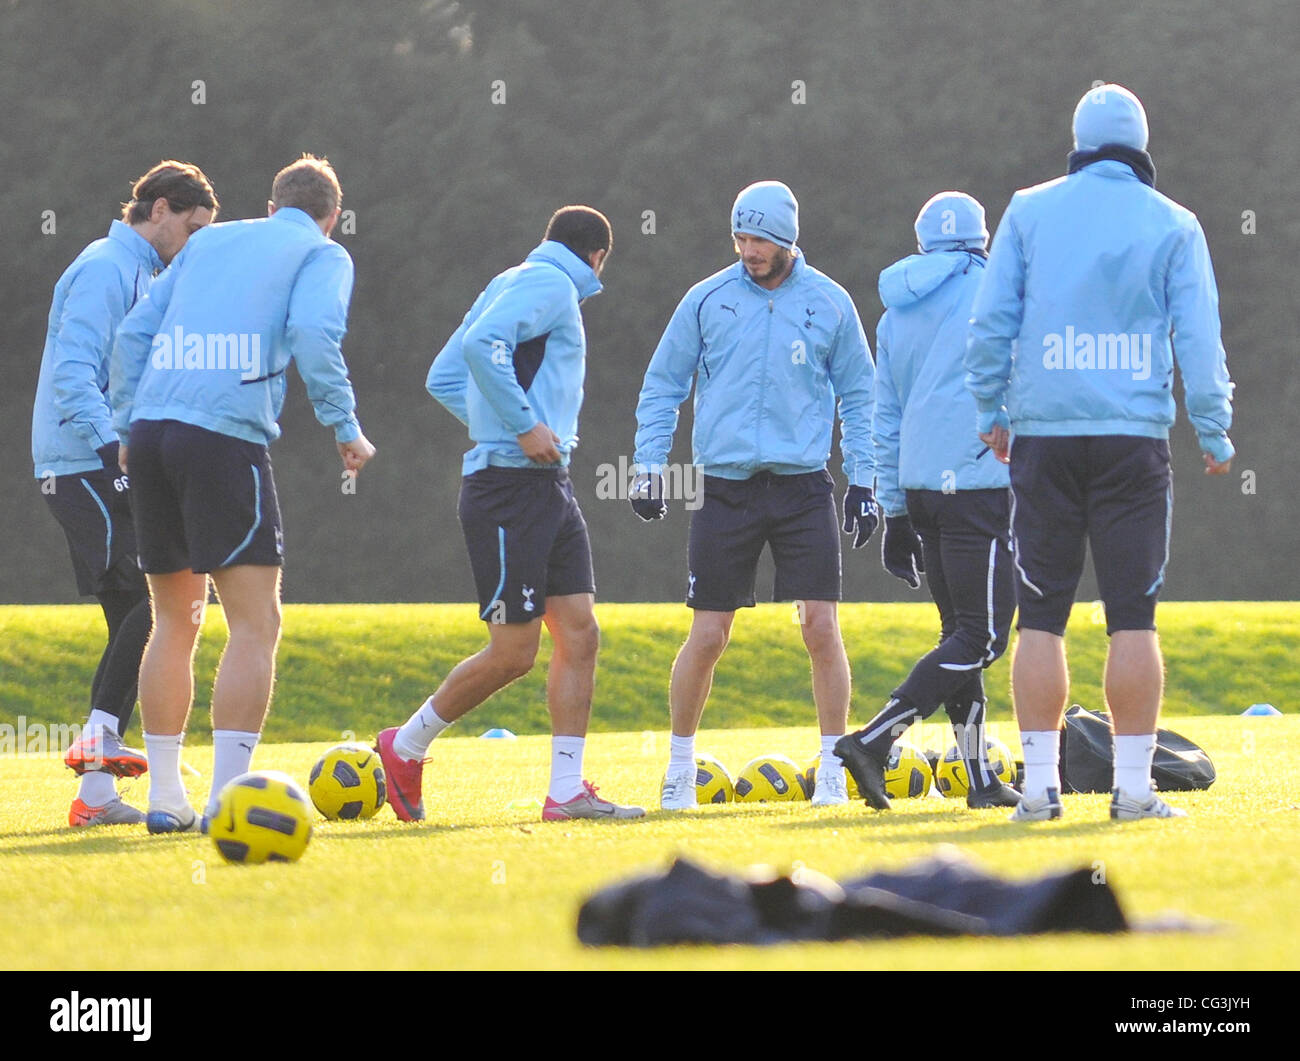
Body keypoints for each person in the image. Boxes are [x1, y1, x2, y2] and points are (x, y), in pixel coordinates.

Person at [964, 84, 1235, 822]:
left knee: (1041, 619)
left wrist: (991, 410)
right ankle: (1134, 790)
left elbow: (990, 325)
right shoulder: (1175, 223)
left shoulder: (1027, 209)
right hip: (1133, 441)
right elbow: (1200, 342)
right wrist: (1214, 430)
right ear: (1141, 147)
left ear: (1079, 143)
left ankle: (1043, 790)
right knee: (1133, 619)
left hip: (1043, 438)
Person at [110, 155, 376, 833]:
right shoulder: (323, 253)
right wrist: (345, 426)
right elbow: (316, 335)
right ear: (332, 215)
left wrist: (126, 422)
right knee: (256, 624)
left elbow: (133, 335)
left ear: (270, 203)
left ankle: (165, 798)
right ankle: (229, 801)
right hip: (222, 441)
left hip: (151, 433)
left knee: (177, 620)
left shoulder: (210, 243)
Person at [375, 206, 644, 823]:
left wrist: (506, 427)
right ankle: (405, 745)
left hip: (549, 485)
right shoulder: (550, 284)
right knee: (514, 653)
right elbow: (477, 347)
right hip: (508, 490)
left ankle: (567, 792)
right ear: (598, 256)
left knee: (579, 633)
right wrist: (519, 429)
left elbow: (445, 377)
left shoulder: (516, 278)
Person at [632, 180, 877, 810]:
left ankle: (830, 768)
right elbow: (663, 385)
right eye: (740, 237)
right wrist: (647, 466)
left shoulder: (829, 302)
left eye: (760, 238)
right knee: (710, 633)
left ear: (788, 238)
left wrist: (864, 482)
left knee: (821, 628)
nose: (749, 250)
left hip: (801, 488)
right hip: (725, 488)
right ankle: (680, 768)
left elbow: (860, 396)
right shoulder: (707, 299)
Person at [32, 160, 218, 827]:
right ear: (160, 208)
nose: (192, 244)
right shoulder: (105, 267)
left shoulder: (147, 271)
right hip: (81, 461)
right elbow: (75, 375)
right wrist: (115, 451)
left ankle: (95, 796)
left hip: (107, 457)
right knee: (156, 598)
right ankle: (102, 732)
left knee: (133, 622)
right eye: (191, 228)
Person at [835, 192, 1021, 811]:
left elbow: (885, 415)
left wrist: (892, 510)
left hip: (921, 487)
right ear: (981, 238)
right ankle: (874, 740)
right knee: (984, 637)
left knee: (957, 635)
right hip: (978, 481)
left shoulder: (895, 312)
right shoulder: (993, 287)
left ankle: (980, 780)